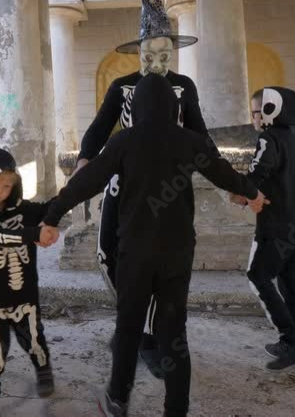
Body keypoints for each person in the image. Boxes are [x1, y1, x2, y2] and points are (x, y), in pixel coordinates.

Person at [42, 74, 265, 417]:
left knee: (129, 326)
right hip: (177, 252)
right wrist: (251, 194)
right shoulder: (191, 142)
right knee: (174, 331)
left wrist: (52, 215)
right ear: (174, 107)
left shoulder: (123, 142)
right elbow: (225, 175)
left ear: (138, 106)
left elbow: (85, 182)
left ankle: (117, 399)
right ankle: (175, 410)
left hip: (136, 251)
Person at [74, 0, 210, 377]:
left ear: (173, 54)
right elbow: (100, 128)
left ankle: (148, 336)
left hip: (170, 188)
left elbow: (199, 133)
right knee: (108, 254)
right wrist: (84, 159)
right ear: (139, 54)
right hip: (124, 183)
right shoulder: (122, 86)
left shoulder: (184, 87)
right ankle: (130, 318)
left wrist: (214, 167)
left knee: (161, 261)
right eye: (151, 55)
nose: (158, 63)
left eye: (165, 55)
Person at [0, 148, 61, 417]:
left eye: (7, 185)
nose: (0, 190)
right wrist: (35, 233)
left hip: (25, 295)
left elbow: (50, 209)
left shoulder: (24, 210)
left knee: (34, 340)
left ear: (15, 186)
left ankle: (43, 369)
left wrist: (71, 194)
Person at [231, 86, 295, 371]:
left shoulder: (268, 139)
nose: (253, 117)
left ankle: (291, 339)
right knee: (291, 279)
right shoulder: (292, 140)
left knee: (257, 276)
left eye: (255, 111)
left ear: (269, 111)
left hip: (276, 225)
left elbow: (259, 172)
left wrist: (241, 192)